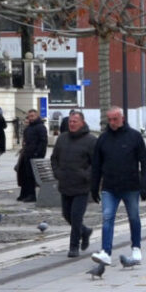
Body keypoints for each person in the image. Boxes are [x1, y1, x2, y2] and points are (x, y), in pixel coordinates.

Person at [89, 107, 146, 266]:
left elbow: (145, 162)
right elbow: (96, 165)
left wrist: (145, 185)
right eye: (109, 120)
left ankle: (136, 247)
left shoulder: (134, 137)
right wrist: (94, 186)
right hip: (109, 187)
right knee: (107, 217)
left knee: (133, 217)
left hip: (131, 186)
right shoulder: (103, 139)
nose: (112, 123)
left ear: (122, 118)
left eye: (115, 119)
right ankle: (105, 252)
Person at [50, 111, 96, 258]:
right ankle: (85, 231)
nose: (72, 124)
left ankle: (73, 246)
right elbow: (54, 158)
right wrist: (58, 172)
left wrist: (86, 175)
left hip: (82, 186)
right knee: (66, 215)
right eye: (70, 121)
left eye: (75, 121)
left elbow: (96, 163)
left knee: (76, 217)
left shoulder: (90, 140)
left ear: (82, 122)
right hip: (65, 183)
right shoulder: (62, 138)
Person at [16, 109, 47, 203]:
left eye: (32, 116)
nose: (30, 118)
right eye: (29, 116)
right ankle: (24, 193)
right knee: (24, 174)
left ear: (37, 116)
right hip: (26, 154)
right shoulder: (29, 127)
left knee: (31, 176)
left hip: (35, 155)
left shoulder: (40, 127)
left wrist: (38, 154)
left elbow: (43, 142)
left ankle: (31, 195)